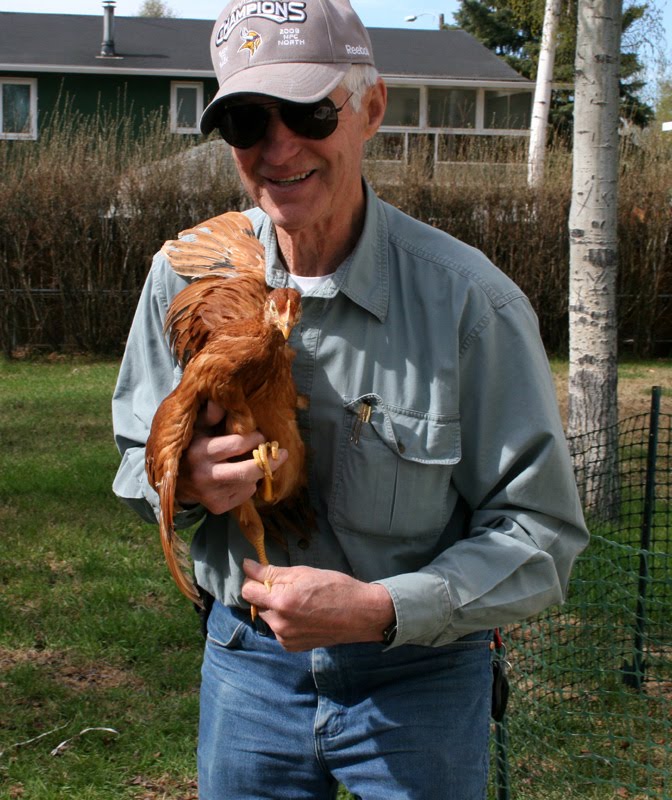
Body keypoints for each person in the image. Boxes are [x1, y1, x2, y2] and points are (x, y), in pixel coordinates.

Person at [112, 1, 589, 797]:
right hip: (248, 666)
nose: (279, 147)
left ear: (371, 108)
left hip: (421, 679)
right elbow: (132, 461)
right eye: (248, 123)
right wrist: (181, 481)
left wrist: (379, 608)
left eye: (307, 111)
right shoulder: (186, 278)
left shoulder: (471, 305)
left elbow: (541, 533)